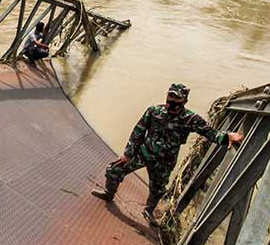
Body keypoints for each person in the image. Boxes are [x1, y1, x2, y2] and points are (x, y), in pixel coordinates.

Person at [92, 83, 244, 224]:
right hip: (144, 152)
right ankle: (109, 193)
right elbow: (138, 132)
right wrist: (128, 154)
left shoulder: (190, 119)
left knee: (157, 190)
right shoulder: (154, 111)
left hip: (165, 162)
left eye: (177, 97)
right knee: (114, 169)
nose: (172, 100)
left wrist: (226, 137)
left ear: (185, 100)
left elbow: (209, 132)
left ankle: (149, 211)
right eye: (170, 96)